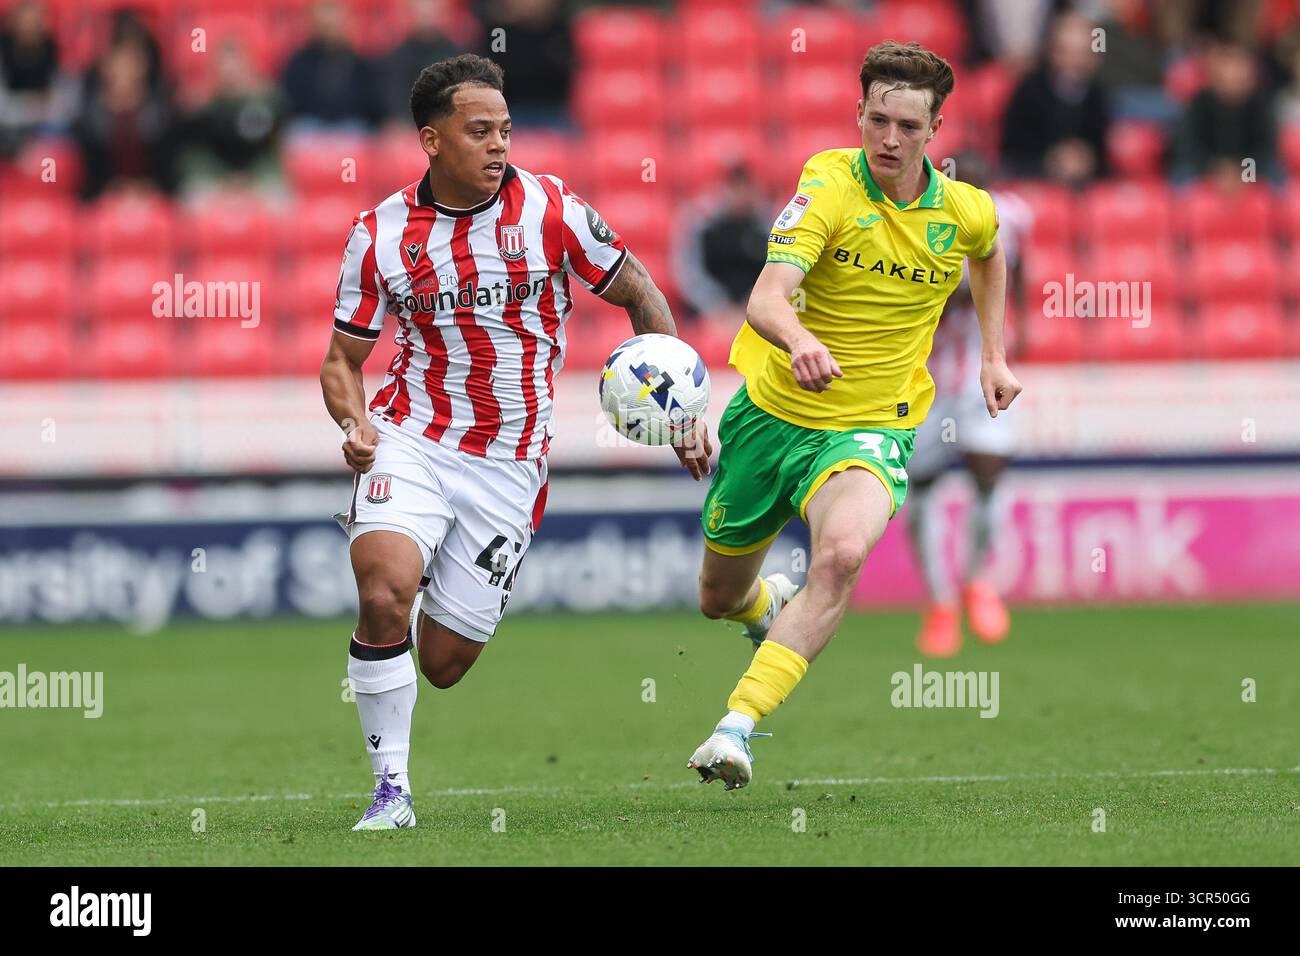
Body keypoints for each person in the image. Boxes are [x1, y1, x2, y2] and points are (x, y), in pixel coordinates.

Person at [320, 54, 709, 830]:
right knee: (382, 590)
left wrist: (677, 409)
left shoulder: (552, 208)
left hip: (510, 464)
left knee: (443, 664)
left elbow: (639, 290)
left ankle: (426, 570)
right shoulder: (380, 235)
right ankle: (391, 792)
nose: (500, 146)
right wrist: (355, 423)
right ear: (432, 140)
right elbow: (341, 359)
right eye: (479, 131)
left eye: (505, 129)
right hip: (413, 437)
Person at [687, 41, 1022, 791]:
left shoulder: (965, 210)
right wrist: (800, 340)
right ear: (859, 115)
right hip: (771, 416)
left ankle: (736, 727)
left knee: (839, 556)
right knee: (717, 599)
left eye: (908, 125)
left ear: (935, 130)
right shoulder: (828, 183)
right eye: (877, 120)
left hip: (873, 425)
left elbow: (990, 252)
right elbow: (766, 297)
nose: (890, 140)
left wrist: (994, 355)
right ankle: (762, 605)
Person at [905, 154, 1032, 658]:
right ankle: (939, 603)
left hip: (983, 374)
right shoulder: (923, 224)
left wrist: (1020, 318)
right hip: (925, 382)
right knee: (922, 487)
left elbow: (1015, 264)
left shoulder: (1008, 218)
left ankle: (977, 581)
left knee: (989, 472)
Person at [1000, 10, 1111, 185]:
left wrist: (1086, 159)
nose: (1075, 61)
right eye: (1067, 52)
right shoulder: (1028, 91)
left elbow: (1102, 151)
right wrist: (1051, 160)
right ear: (1053, 52)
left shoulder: (1097, 95)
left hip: (1085, 187)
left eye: (1083, 53)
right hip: (1034, 182)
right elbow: (1012, 151)